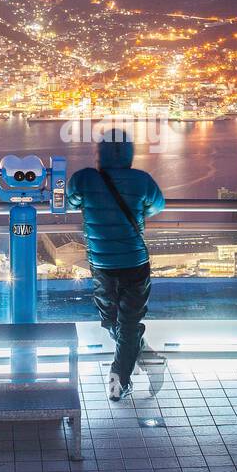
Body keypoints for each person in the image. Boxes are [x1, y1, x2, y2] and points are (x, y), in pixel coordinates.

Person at [65, 130, 166, 401]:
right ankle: (142, 356)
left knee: (112, 320)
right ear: (131, 153)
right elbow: (158, 205)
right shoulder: (142, 180)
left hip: (102, 264)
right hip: (135, 262)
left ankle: (119, 379)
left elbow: (69, 201)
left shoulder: (85, 179)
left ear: (99, 154)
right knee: (128, 323)